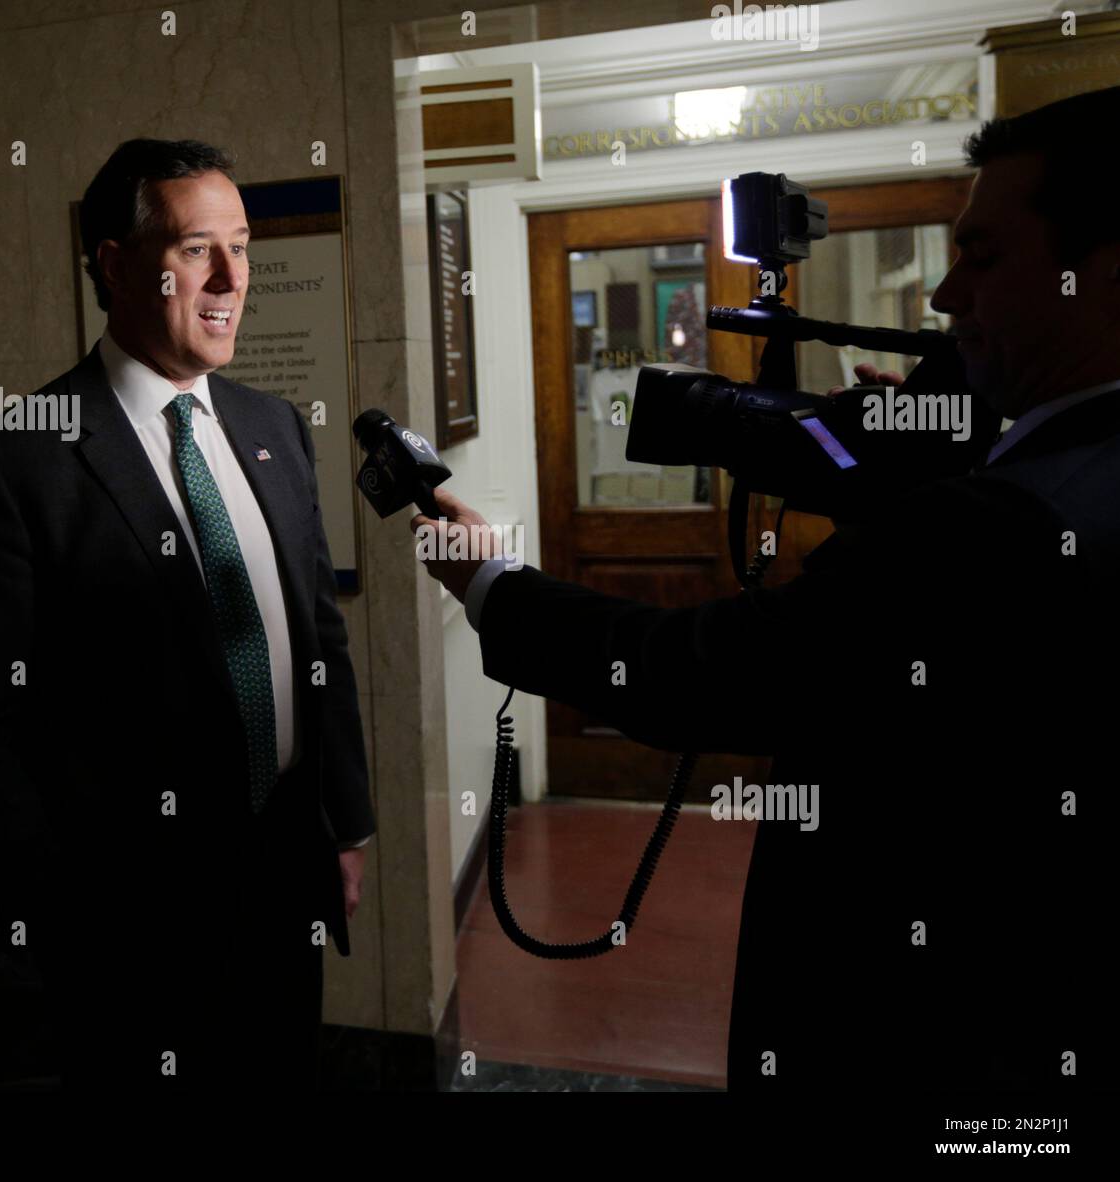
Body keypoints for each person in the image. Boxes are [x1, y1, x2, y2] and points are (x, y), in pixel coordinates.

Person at [414, 87, 1120, 1092]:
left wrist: (486, 580)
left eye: (985, 256)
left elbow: (688, 676)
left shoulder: (993, 523)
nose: (943, 297)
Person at [0, 138, 374, 1093]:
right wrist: (71, 908)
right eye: (199, 248)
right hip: (127, 930)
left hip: (285, 878)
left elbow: (317, 637)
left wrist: (346, 823)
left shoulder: (275, 427)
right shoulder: (10, 466)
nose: (234, 277)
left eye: (243, 246)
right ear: (115, 264)